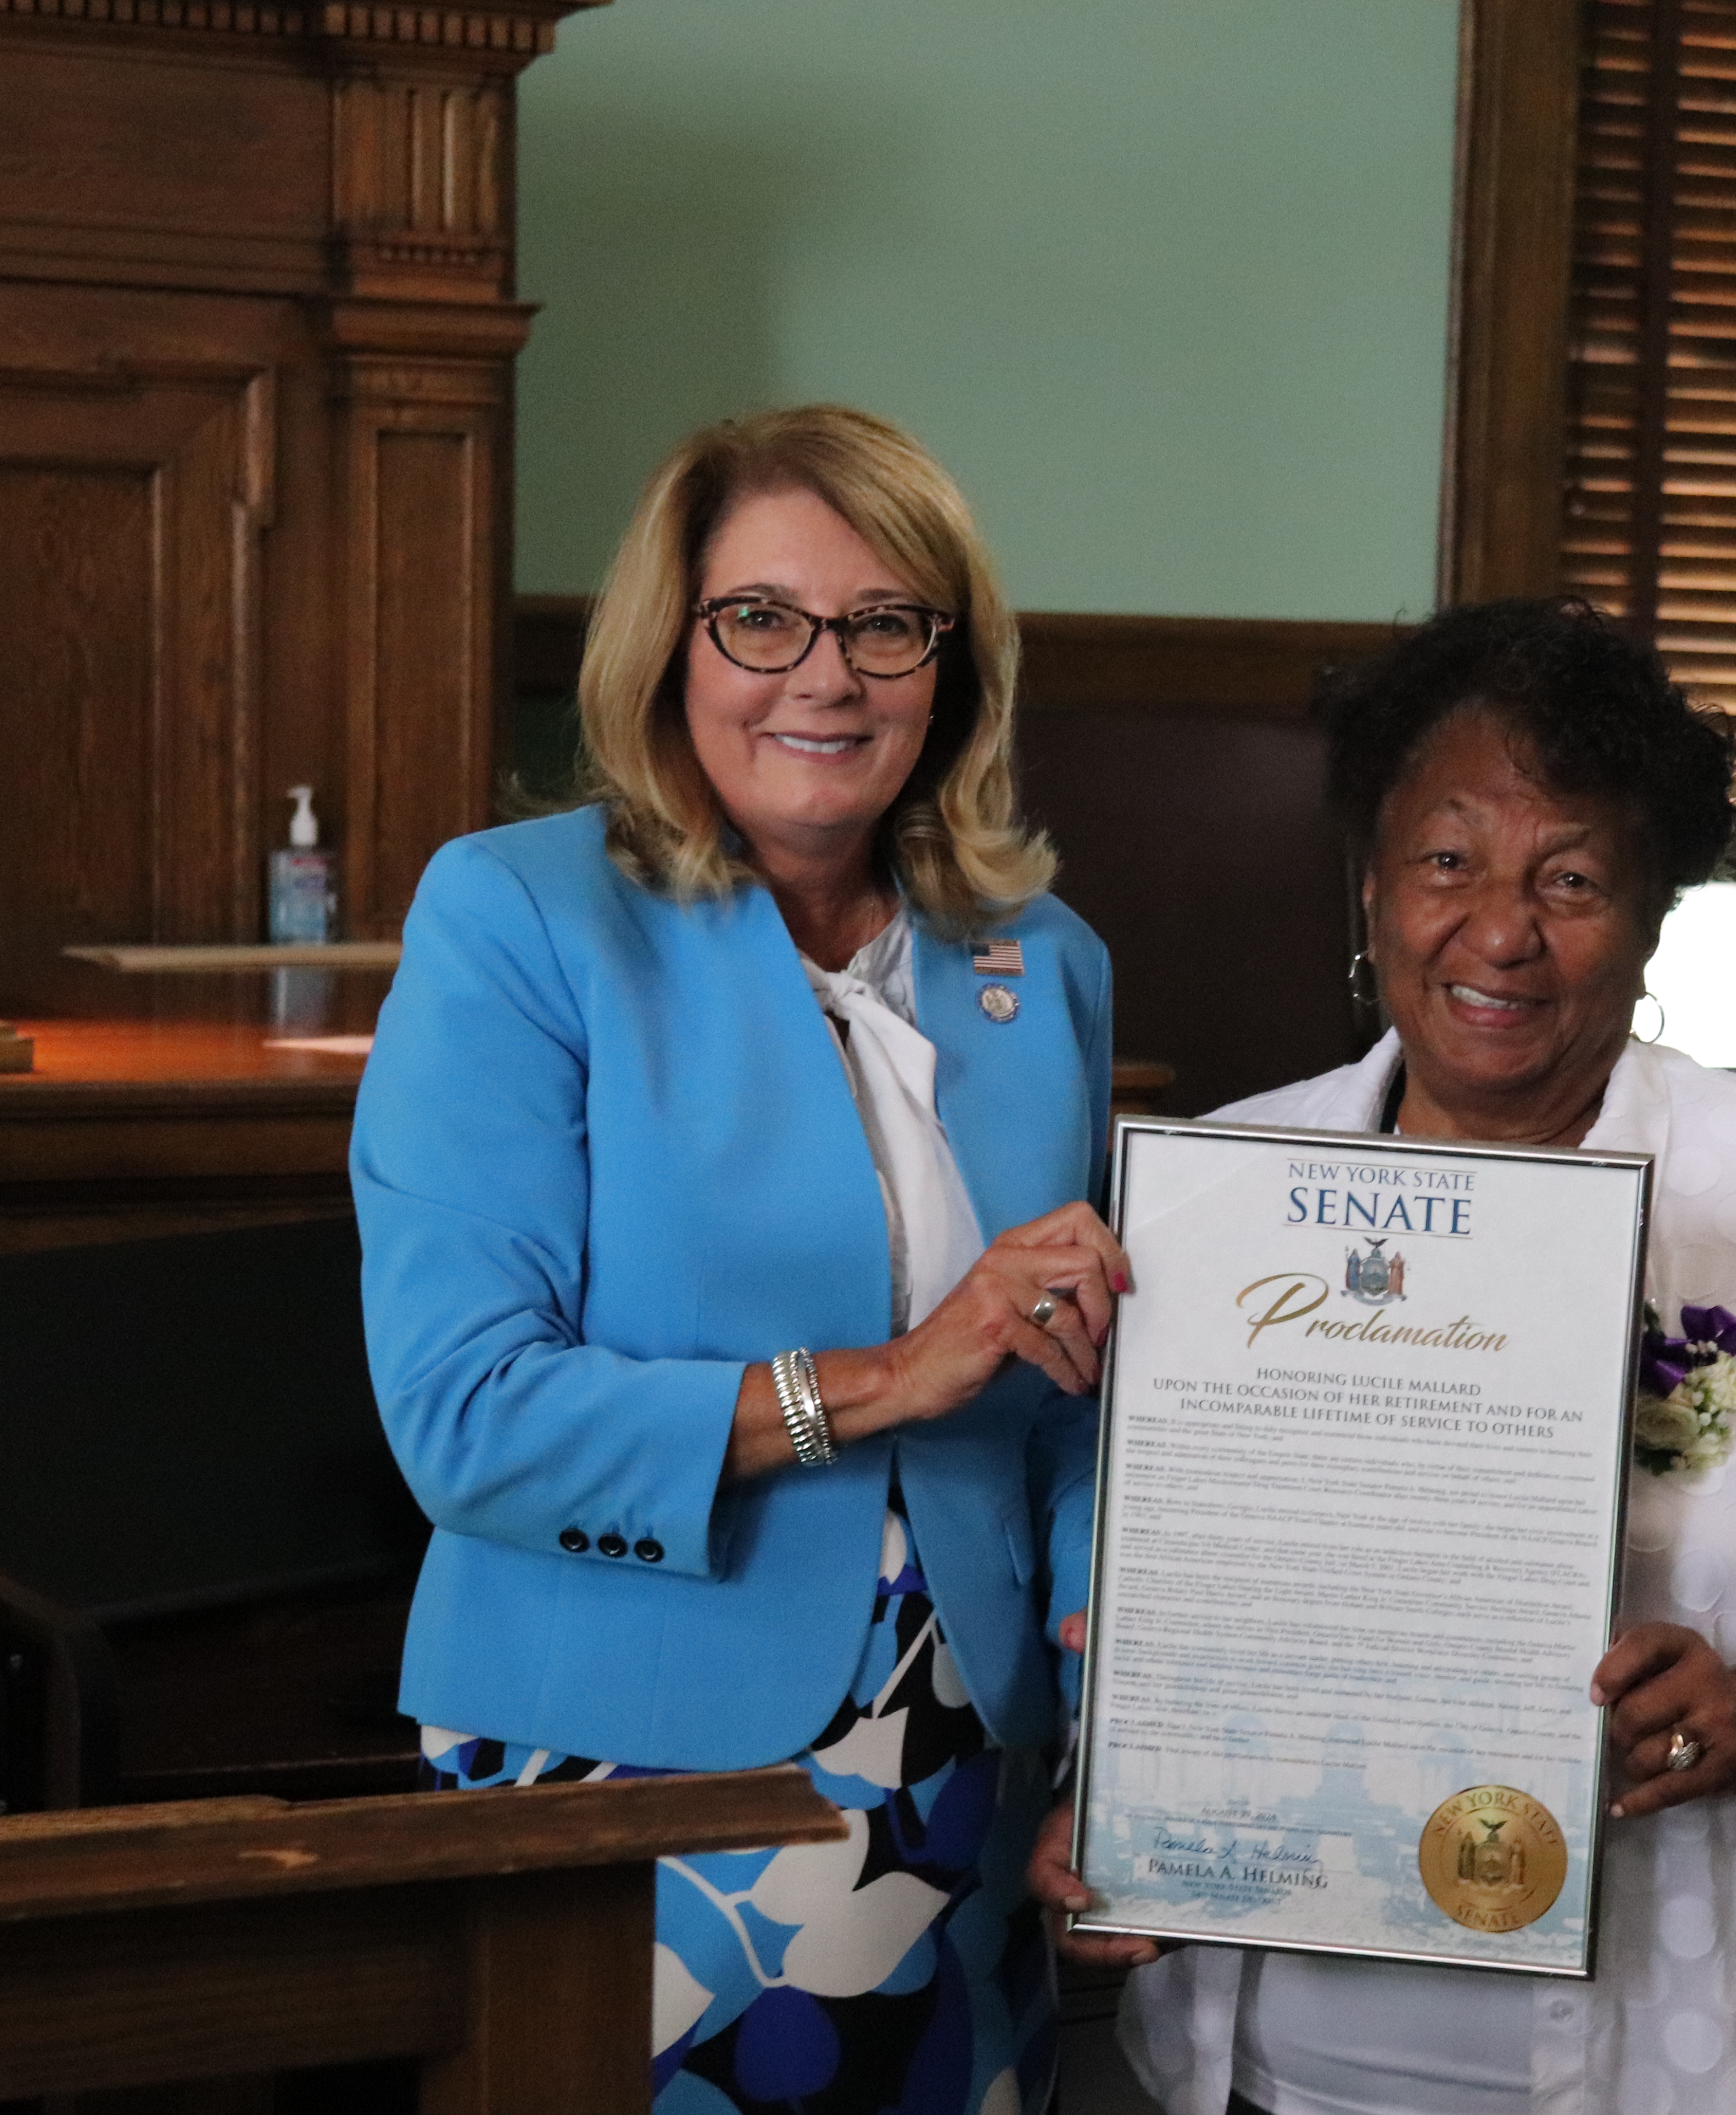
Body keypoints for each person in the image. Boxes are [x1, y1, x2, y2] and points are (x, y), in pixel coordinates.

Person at [1036, 598, 1736, 2115]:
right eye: (1447, 861)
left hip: (1692, 2033)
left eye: (1569, 879)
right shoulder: (1222, 1190)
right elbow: (1132, 1564)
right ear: (1371, 885)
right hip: (1279, 2051)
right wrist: (1112, 1767)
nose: (1500, 928)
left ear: (1650, 921)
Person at [353, 404, 1128, 2115]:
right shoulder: (520, 918)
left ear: (952, 665)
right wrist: (890, 1380)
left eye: (884, 624)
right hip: (637, 1759)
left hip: (975, 1777)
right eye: (761, 619)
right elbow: (469, 1418)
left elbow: (1083, 1405)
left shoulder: (1042, 962)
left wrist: (1132, 1748)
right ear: (668, 647)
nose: (824, 676)